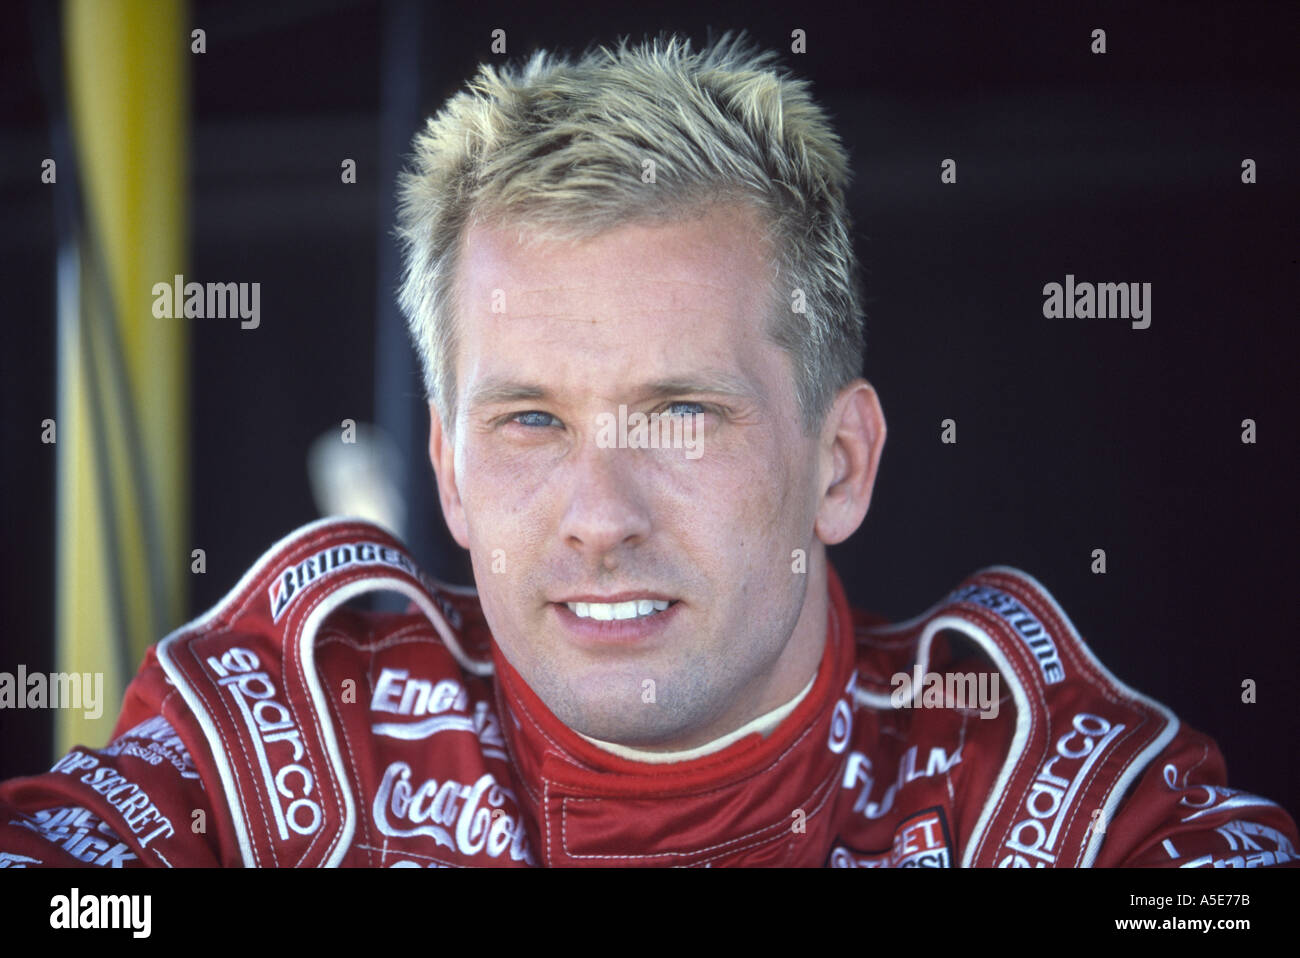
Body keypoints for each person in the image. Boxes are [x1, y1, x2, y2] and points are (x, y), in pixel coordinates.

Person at [1, 33, 1295, 869]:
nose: (598, 513)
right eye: (531, 419)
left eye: (680, 411)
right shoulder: (297, 722)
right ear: (447, 471)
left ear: (837, 463)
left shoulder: (1026, 777)